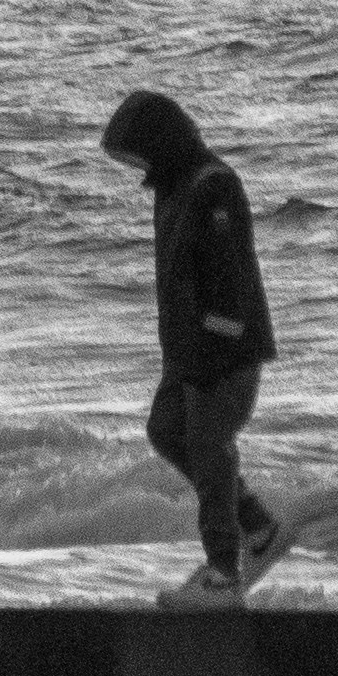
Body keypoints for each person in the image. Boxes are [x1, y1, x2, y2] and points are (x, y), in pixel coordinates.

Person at [100, 88, 289, 600]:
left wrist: (215, 342)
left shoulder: (214, 185)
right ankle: (260, 527)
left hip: (224, 350)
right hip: (184, 351)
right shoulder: (171, 187)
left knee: (209, 447)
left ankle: (223, 567)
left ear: (162, 141)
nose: (135, 165)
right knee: (166, 431)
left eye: (138, 152)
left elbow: (230, 280)